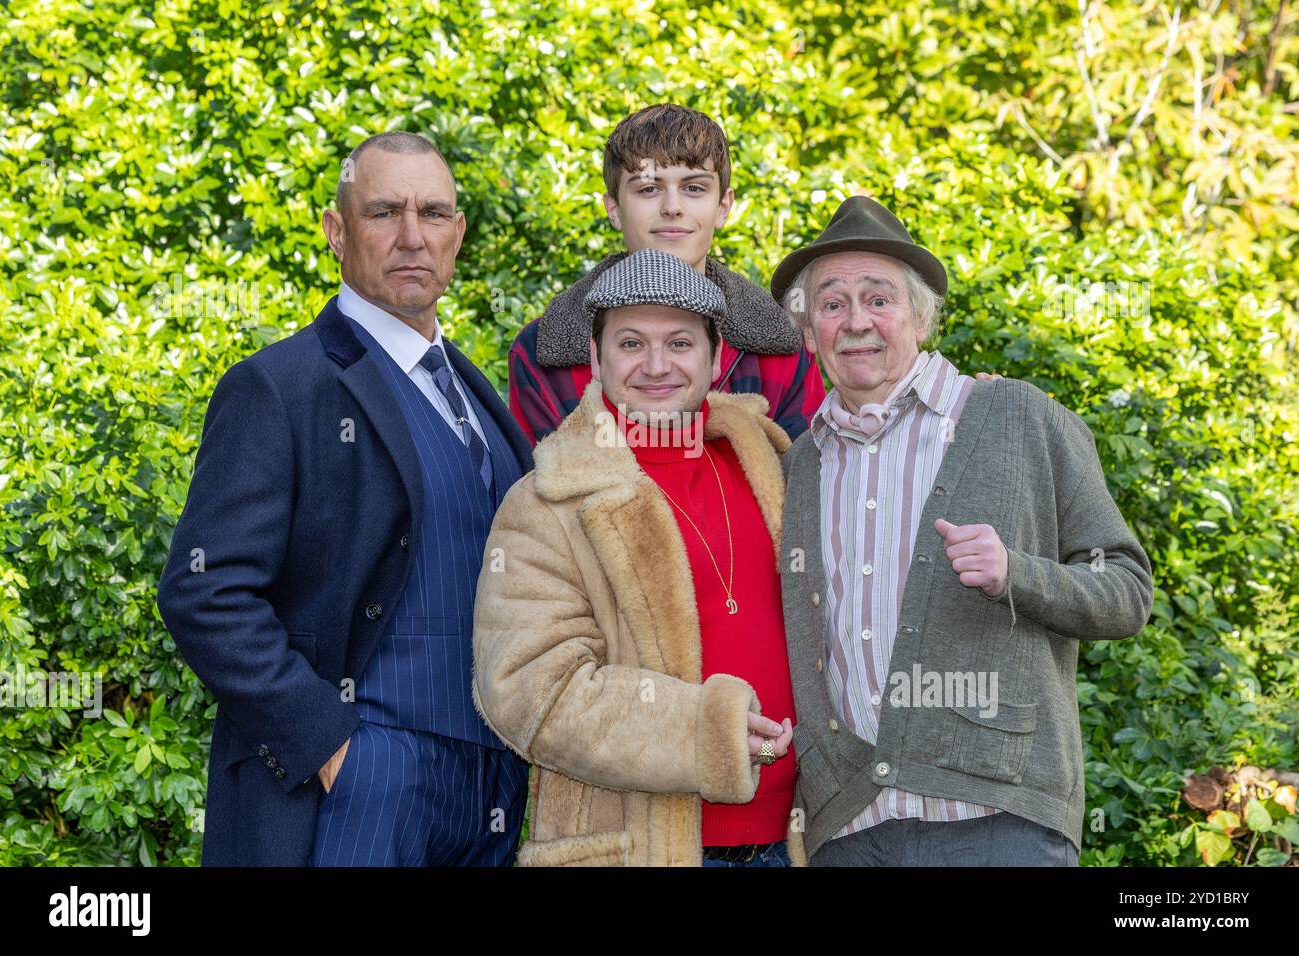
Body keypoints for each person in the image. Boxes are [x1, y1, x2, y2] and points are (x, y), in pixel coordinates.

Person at [156, 131, 531, 866]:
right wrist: (335, 750)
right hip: (361, 785)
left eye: (434, 214)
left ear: (458, 233)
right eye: (384, 212)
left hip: (490, 785)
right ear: (336, 231)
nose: (412, 237)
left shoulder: (479, 395)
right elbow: (205, 592)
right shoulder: (279, 386)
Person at [772, 196, 1154, 866]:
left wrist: (1017, 574)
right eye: (831, 303)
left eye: (878, 298)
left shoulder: (1018, 417)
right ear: (808, 332)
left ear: (919, 315)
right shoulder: (792, 467)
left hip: (1000, 820)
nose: (856, 320)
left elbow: (1125, 592)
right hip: (851, 830)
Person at [473, 248, 805, 866]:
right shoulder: (549, 499)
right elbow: (528, 691)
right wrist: (704, 733)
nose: (657, 366)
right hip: (642, 847)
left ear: (715, 356)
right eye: (631, 343)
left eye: (680, 343)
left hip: (797, 842)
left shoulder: (772, 463)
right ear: (596, 359)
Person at [507, 103, 826, 446]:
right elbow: (539, 489)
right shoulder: (541, 352)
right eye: (648, 189)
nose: (672, 207)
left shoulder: (781, 348)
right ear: (613, 209)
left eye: (694, 188)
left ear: (723, 207)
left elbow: (803, 483)